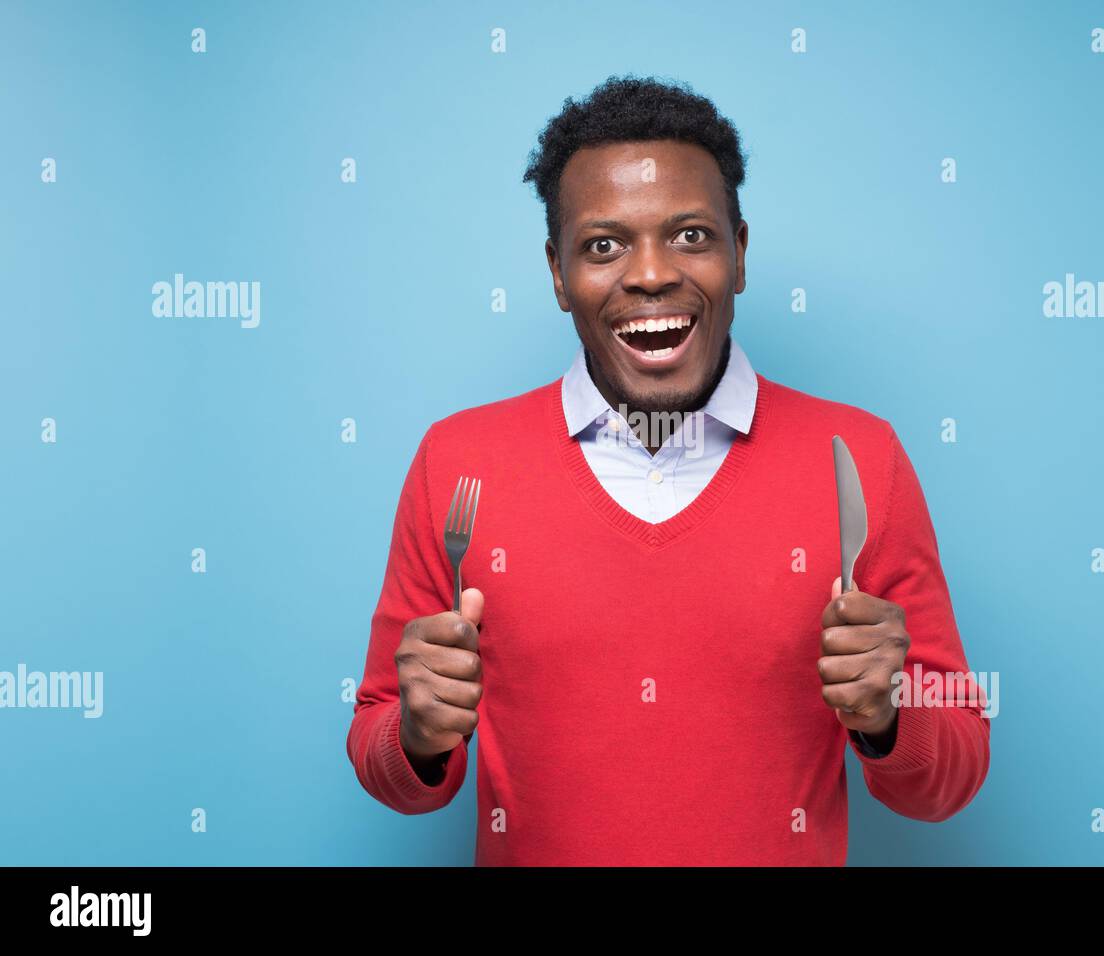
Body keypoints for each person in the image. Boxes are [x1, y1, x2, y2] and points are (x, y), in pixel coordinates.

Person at [346, 74, 990, 866]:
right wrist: (415, 736)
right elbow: (386, 760)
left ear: (740, 253)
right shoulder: (457, 463)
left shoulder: (859, 457)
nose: (650, 274)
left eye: (689, 235)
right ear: (557, 272)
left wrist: (892, 715)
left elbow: (953, 772)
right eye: (604, 245)